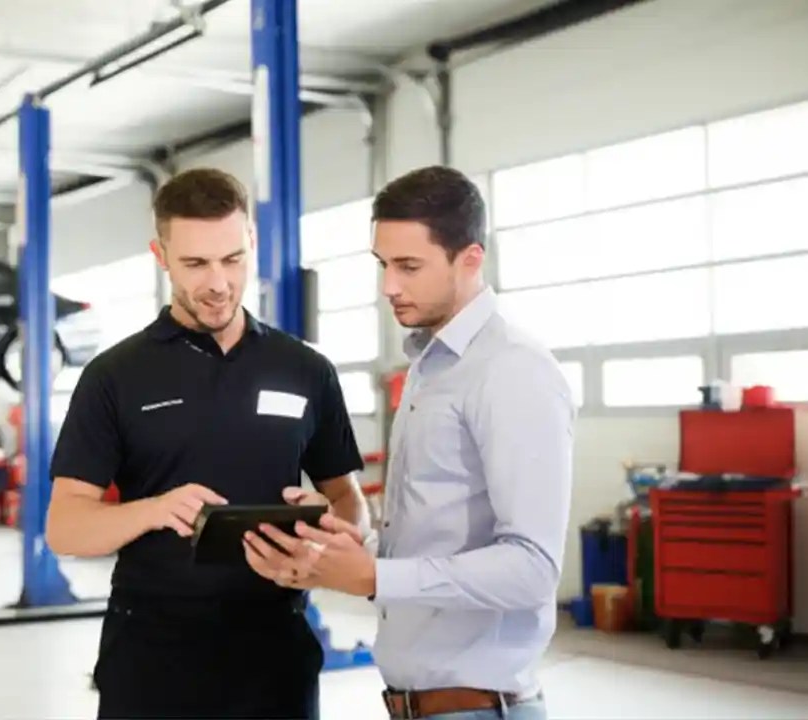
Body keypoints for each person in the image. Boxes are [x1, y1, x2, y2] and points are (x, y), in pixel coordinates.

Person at [245, 166, 574, 720]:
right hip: (421, 706)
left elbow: (533, 568)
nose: (388, 286)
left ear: (470, 259)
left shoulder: (511, 371)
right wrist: (344, 549)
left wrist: (375, 575)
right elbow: (434, 547)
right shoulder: (432, 367)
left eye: (409, 266)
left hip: (476, 708)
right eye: (382, 264)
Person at [45, 167, 371, 720]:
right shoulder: (115, 376)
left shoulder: (305, 370)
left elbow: (349, 501)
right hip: (152, 654)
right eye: (196, 264)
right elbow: (65, 527)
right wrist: (152, 510)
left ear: (251, 243)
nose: (218, 283)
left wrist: (327, 530)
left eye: (233, 259)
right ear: (161, 254)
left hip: (275, 652)